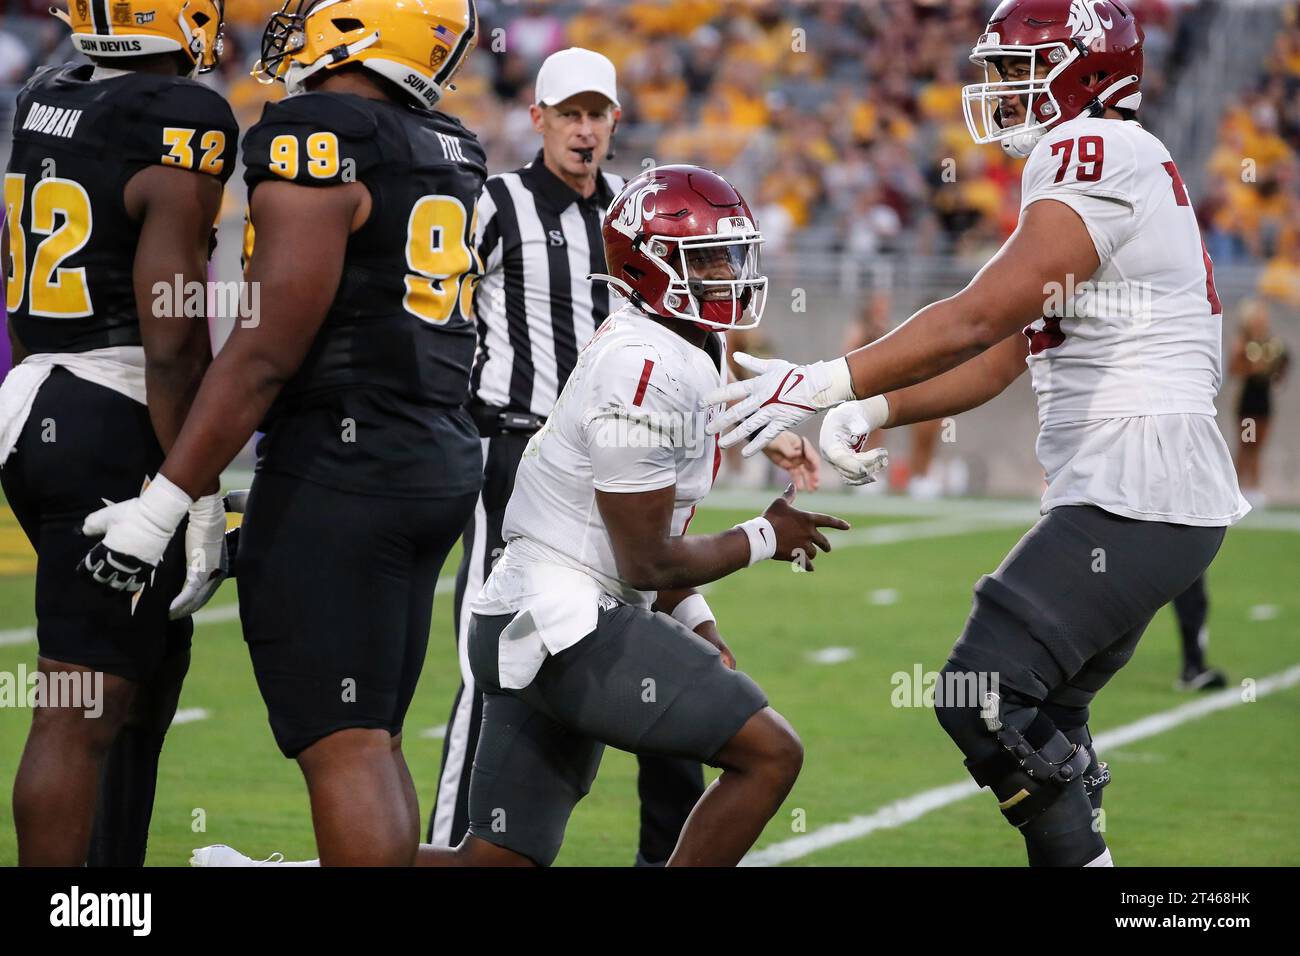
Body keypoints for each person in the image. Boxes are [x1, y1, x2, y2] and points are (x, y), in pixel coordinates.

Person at [708, 0, 1249, 867]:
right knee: (1044, 719)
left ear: (1082, 71)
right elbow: (1002, 354)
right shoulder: (1105, 169)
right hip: (1140, 488)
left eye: (1017, 68)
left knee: (980, 694)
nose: (998, 88)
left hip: (1138, 478)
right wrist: (872, 408)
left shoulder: (1098, 147)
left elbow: (977, 316)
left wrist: (822, 379)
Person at [81, 0, 485, 866]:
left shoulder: (317, 131)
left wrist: (163, 503)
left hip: (347, 473)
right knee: (369, 736)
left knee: (340, 745)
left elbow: (265, 348)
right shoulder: (444, 142)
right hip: (428, 459)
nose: (295, 27)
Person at [429, 47, 820, 866]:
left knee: (490, 865)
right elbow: (644, 556)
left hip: (548, 610)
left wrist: (698, 619)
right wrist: (765, 536)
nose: (727, 274)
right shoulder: (645, 363)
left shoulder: (671, 348)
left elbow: (651, 542)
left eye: (729, 255)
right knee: (771, 753)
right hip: (563, 614)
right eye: (707, 258)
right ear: (652, 265)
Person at [0, 0, 236, 866]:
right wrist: (196, 486)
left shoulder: (45, 91)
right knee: (81, 707)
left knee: (139, 678)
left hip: (39, 397)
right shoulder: (180, 115)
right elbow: (172, 337)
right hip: (119, 409)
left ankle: (111, 894)